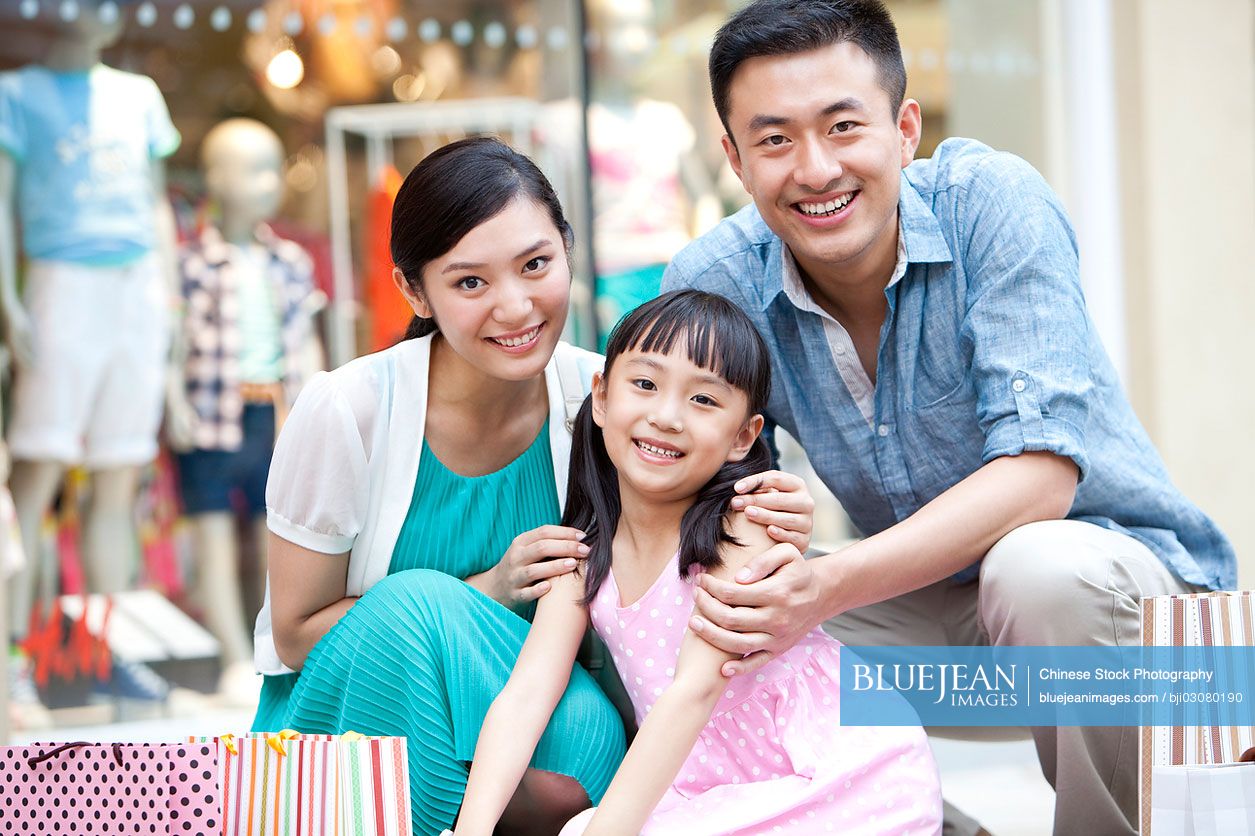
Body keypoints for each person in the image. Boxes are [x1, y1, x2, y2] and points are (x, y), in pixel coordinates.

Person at [659, 2, 1236, 835]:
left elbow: (1040, 477)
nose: (815, 169)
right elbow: (698, 499)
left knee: (1036, 568)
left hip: (1136, 642)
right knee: (708, 611)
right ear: (735, 160)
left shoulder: (989, 203)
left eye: (842, 126)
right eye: (775, 139)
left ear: (903, 129)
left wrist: (823, 585)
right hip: (947, 648)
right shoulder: (716, 280)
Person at [253, 137, 815, 835]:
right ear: (412, 290)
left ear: (567, 249)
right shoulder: (350, 410)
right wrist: (486, 592)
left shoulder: (605, 392)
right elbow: (297, 633)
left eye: (535, 265)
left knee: (586, 724)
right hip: (356, 715)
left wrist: (763, 498)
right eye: (469, 283)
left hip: (536, 706)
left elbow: (696, 494)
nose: (516, 307)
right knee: (414, 605)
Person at [452, 290, 941, 835]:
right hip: (710, 795)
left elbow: (695, 689)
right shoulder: (582, 559)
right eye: (644, 384)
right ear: (602, 397)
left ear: (743, 437)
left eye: (703, 400)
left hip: (844, 778)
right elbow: (525, 698)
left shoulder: (742, 526)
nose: (666, 416)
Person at [168, 118, 324, 700]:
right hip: (211, 415)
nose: (267, 182)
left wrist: (312, 404)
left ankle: (270, 656)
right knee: (211, 535)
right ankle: (233, 653)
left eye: (273, 167)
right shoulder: (192, 263)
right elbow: (174, 342)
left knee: (274, 540)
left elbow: (305, 340)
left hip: (272, 414)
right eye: (251, 169)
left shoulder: (288, 260)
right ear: (215, 178)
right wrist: (173, 399)